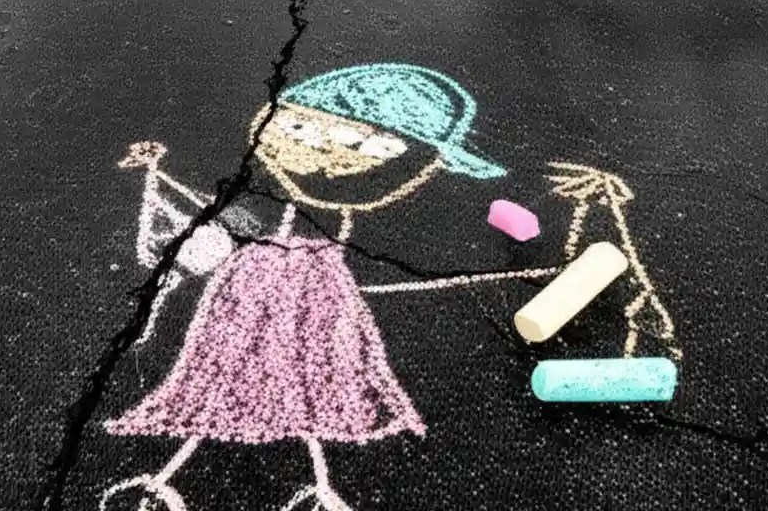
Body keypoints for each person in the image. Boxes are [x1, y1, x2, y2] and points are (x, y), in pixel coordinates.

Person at [102, 63, 678, 510]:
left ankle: (314, 486)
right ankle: (167, 479)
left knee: (310, 393)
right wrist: (163, 180)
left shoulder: (332, 241)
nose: (319, 148)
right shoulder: (277, 223)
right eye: (299, 125)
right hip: (248, 295)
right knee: (221, 386)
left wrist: (510, 274)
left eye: (364, 144)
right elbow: (223, 225)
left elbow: (372, 278)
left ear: (423, 165)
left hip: (303, 292)